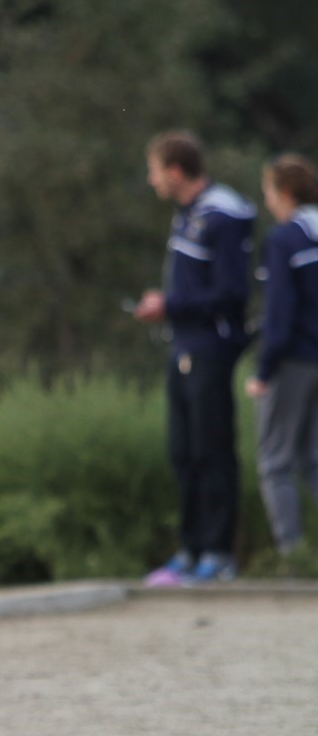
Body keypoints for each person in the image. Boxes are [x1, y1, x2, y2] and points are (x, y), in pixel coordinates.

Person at [136, 131, 255, 585]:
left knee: (212, 451)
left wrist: (171, 306)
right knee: (182, 451)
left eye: (154, 171)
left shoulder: (221, 215)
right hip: (181, 346)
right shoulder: (185, 216)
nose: (151, 182)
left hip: (210, 348)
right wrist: (165, 303)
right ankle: (190, 549)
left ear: (175, 171)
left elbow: (231, 293)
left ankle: (218, 552)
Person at [245, 154, 318, 560]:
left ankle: (293, 557)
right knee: (313, 459)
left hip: (293, 361)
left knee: (275, 462)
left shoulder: (284, 239)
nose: (269, 203)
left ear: (286, 193)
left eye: (270, 194)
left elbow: (280, 312)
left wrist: (264, 369)